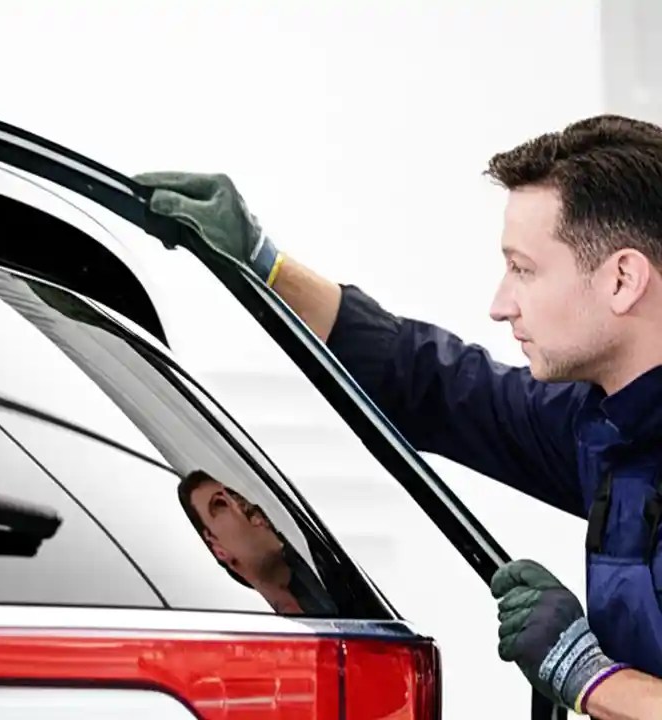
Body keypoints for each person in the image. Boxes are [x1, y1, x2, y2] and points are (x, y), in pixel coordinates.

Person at [136, 113, 662, 719]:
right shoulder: (606, 426)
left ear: (622, 279)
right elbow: (434, 383)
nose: (499, 303)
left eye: (524, 269)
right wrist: (265, 265)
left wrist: (589, 676)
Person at [177, 469, 337, 616]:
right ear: (218, 549)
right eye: (221, 503)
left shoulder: (331, 575)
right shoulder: (251, 632)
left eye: (235, 494)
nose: (241, 504)